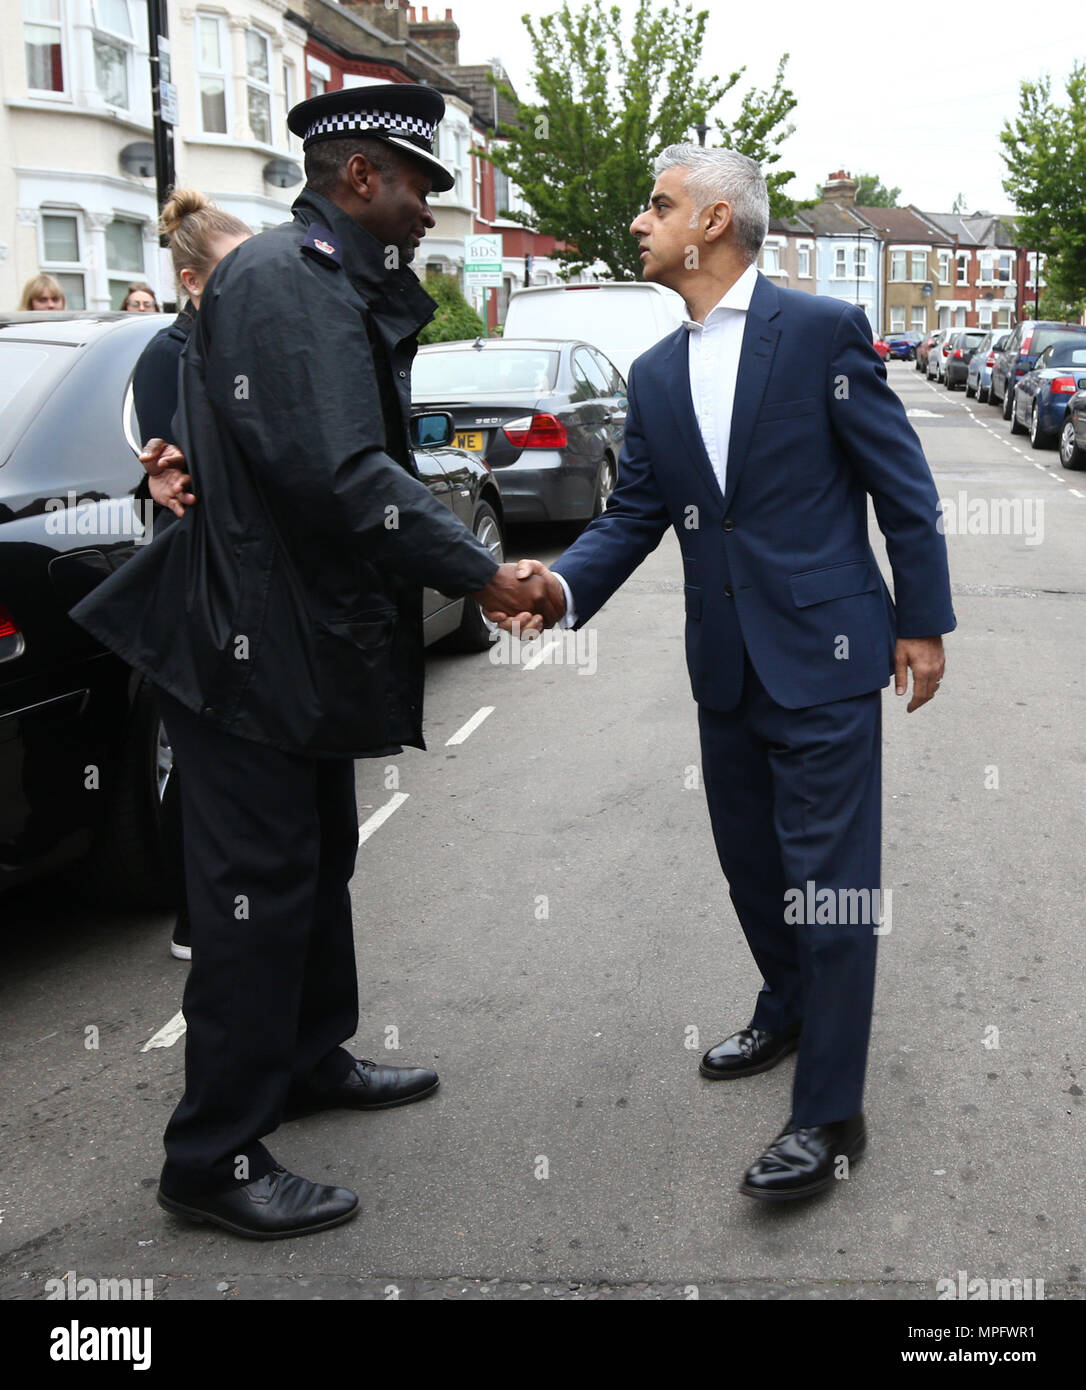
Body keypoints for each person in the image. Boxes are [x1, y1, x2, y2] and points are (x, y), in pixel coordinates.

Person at [70, 82, 555, 1240]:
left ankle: (305, 1056)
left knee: (318, 858)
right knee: (255, 895)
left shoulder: (316, 278)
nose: (433, 207)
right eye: (420, 185)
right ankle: (212, 1154)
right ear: (359, 179)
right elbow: (342, 477)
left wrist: (175, 434)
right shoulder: (293, 283)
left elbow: (214, 380)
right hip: (248, 650)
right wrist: (481, 570)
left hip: (293, 642)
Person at [496, 145, 955, 1202]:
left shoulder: (822, 332)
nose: (640, 222)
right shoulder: (656, 374)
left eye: (657, 206)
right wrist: (558, 589)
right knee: (754, 868)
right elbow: (632, 515)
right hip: (727, 668)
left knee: (831, 887)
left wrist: (921, 621)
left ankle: (832, 1114)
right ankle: (787, 1004)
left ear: (709, 220)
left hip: (832, 660)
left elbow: (904, 486)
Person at [131, 191, 252, 959]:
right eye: (237, 273)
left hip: (226, 583)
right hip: (193, 582)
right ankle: (194, 918)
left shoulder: (228, 344)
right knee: (203, 765)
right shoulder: (171, 355)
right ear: (192, 280)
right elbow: (179, 466)